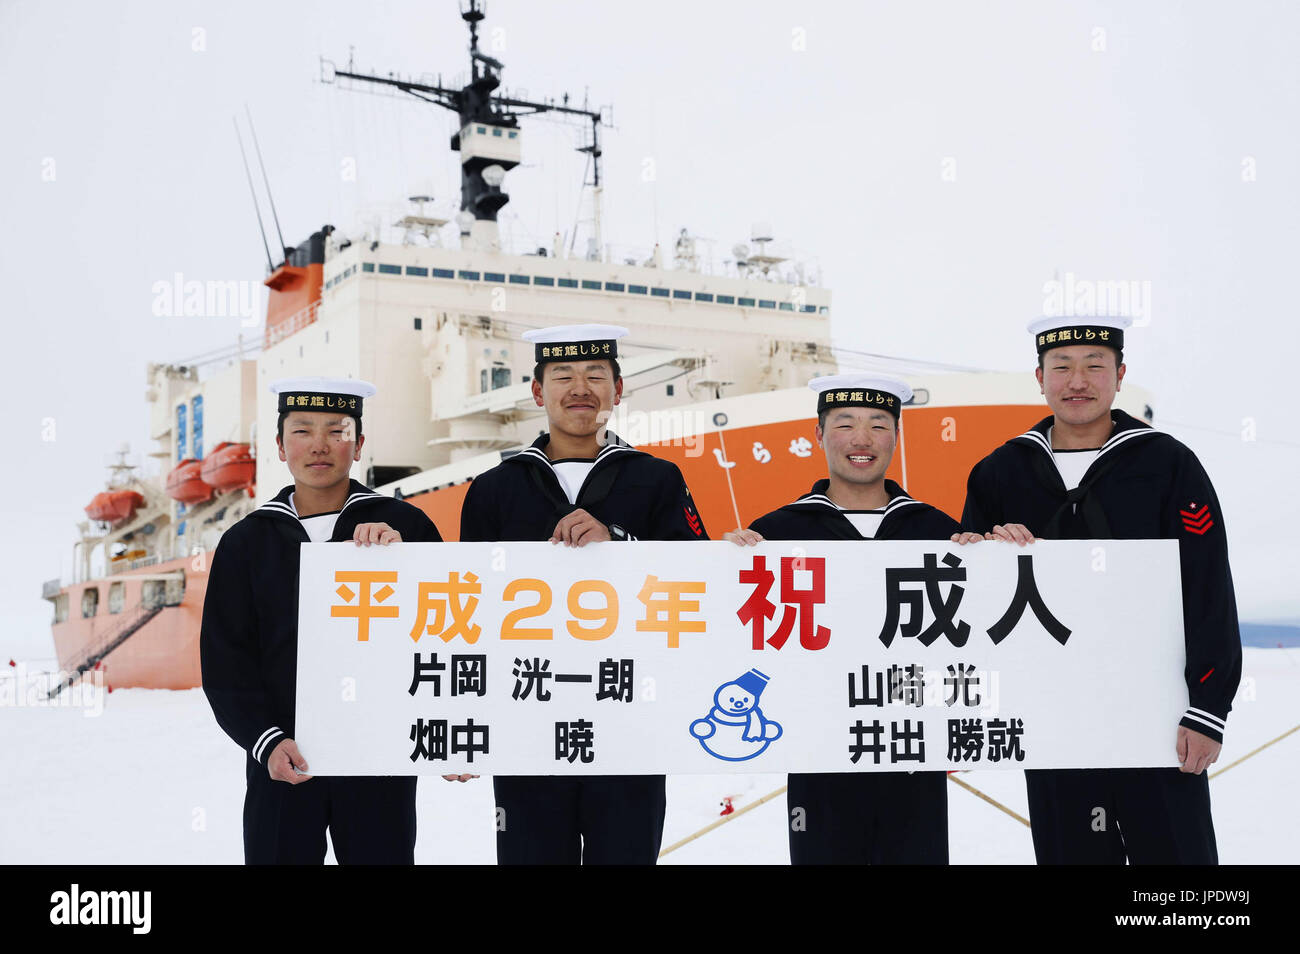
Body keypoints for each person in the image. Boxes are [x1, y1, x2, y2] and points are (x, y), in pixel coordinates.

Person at [956, 316, 1241, 864]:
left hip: (1157, 716)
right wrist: (983, 546)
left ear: (1121, 374)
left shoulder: (1168, 463)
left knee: (1180, 872)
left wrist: (1208, 708)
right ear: (1039, 378)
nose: (1077, 380)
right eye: (1061, 367)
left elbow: (1206, 586)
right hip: (1051, 719)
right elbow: (970, 595)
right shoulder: (999, 471)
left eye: (1095, 366)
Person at [459, 323, 709, 865]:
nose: (581, 389)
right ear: (536, 391)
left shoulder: (657, 479)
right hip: (527, 718)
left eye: (596, 376)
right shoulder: (494, 489)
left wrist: (619, 542)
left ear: (618, 390)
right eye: (563, 376)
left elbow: (699, 581)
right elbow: (466, 609)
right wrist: (465, 721)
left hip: (630, 719)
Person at [201, 377, 444, 864]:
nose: (319, 445)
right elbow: (226, 660)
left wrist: (403, 561)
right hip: (285, 759)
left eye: (337, 430)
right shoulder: (246, 543)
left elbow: (445, 633)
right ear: (278, 445)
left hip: (379, 758)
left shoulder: (408, 527)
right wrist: (264, 741)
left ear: (358, 444)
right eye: (302, 431)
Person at [725, 374, 958, 864]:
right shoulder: (776, 533)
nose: (861, 440)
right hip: (818, 754)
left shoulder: (939, 532)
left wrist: (992, 557)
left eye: (878, 425)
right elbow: (738, 636)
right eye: (845, 424)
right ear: (818, 434)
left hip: (912, 751)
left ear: (897, 435)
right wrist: (724, 567)